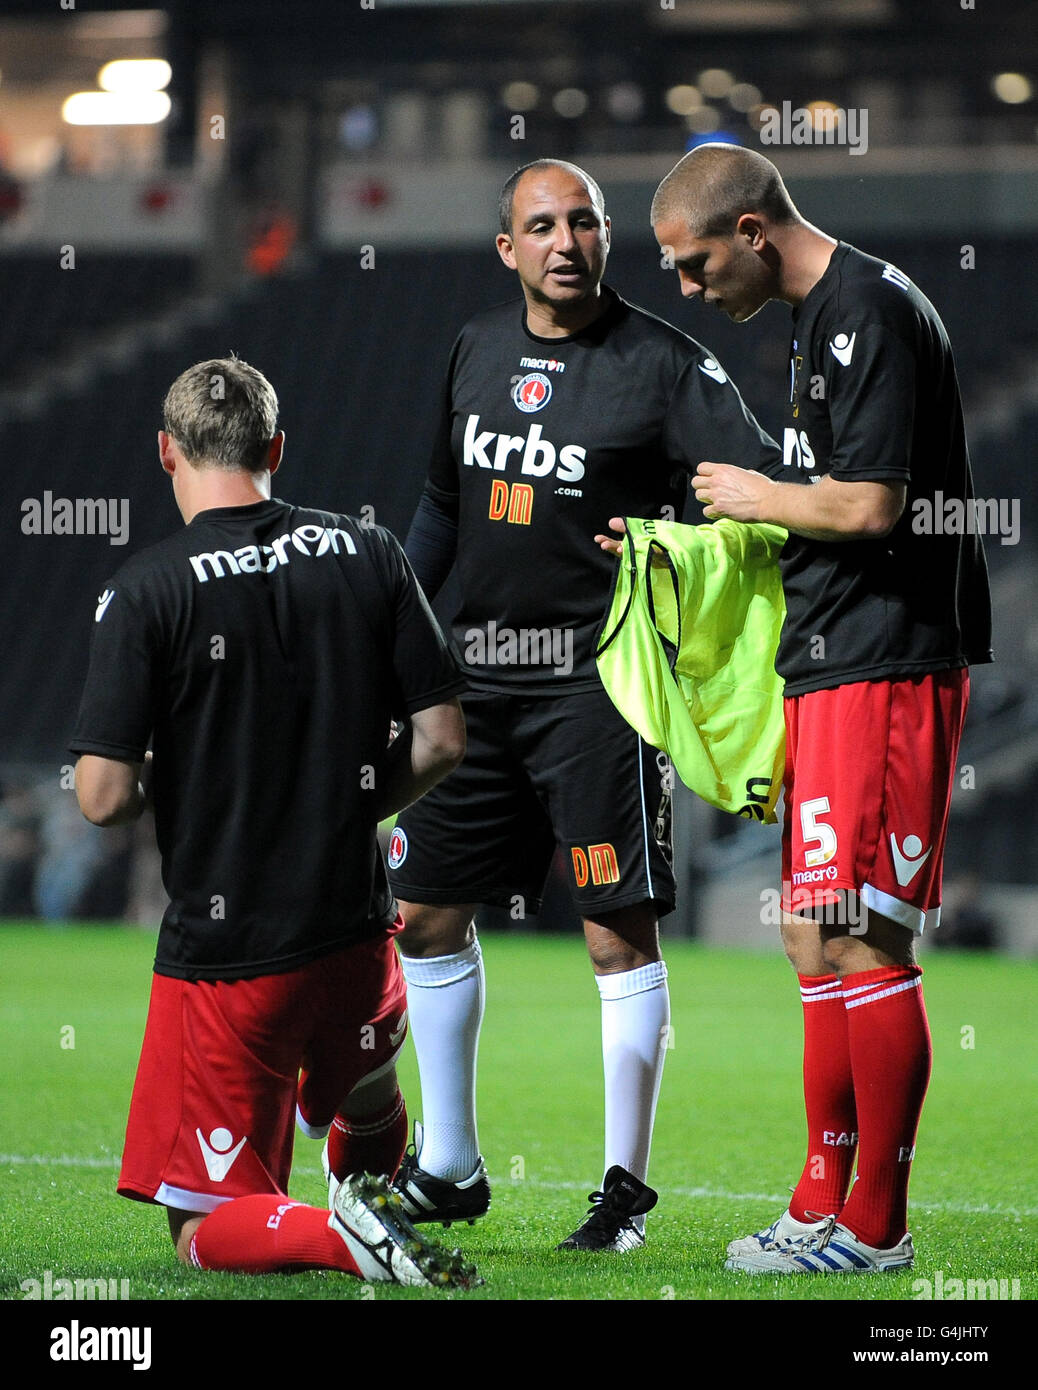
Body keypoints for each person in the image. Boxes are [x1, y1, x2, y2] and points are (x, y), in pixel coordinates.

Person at [383, 158, 781, 1251]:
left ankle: (623, 1194)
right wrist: (403, 638)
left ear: (609, 239)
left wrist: (680, 547)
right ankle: (452, 1166)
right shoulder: (472, 349)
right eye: (542, 225)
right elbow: (439, 504)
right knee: (421, 914)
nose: (567, 242)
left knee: (615, 931)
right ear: (507, 248)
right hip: (472, 687)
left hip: (598, 686)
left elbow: (760, 503)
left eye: (586, 223)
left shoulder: (665, 365)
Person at [643, 143, 992, 1273]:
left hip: (888, 663)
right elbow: (817, 502)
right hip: (829, 662)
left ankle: (876, 1228)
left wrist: (754, 493)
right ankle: (819, 1195)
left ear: (750, 229)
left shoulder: (870, 313)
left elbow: (874, 502)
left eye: (694, 266)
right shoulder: (813, 324)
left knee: (864, 932)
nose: (689, 292)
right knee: (808, 930)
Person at [70, 356, 477, 1289]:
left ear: (166, 452)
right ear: (276, 448)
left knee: (196, 1227)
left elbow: (100, 796)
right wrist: (337, 806)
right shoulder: (368, 551)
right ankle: (372, 1195)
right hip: (361, 932)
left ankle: (345, 1242)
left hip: (235, 955)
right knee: (366, 1091)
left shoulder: (147, 589)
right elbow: (446, 739)